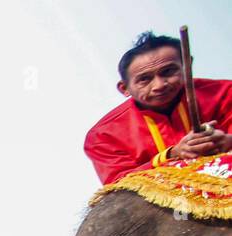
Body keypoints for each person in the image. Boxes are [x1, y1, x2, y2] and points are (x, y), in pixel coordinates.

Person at [84, 31, 232, 185]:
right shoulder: (103, 135)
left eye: (168, 71)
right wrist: (171, 155)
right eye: (144, 79)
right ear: (124, 88)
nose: (159, 85)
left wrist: (227, 141)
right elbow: (118, 183)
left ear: (187, 65)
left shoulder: (226, 92)